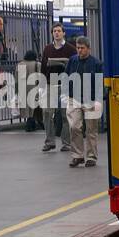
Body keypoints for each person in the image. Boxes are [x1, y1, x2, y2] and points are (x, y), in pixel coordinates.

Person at [64, 36, 103, 167]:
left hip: (90, 99)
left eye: (82, 48)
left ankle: (91, 157)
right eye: (78, 48)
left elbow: (99, 84)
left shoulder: (96, 63)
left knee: (91, 129)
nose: (79, 50)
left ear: (88, 49)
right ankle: (77, 155)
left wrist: (98, 100)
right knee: (74, 126)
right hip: (73, 98)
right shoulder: (72, 61)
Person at [41, 23, 76, 152]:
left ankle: (66, 143)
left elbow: (74, 66)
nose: (56, 33)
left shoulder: (70, 49)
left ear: (64, 33)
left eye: (59, 31)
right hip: (50, 83)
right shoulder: (47, 48)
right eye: (54, 31)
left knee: (65, 114)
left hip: (65, 83)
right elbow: (43, 67)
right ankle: (50, 141)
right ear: (52, 33)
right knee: (47, 112)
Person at [19, 49, 44, 130]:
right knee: (35, 106)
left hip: (23, 89)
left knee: (27, 107)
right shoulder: (38, 64)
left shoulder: (20, 64)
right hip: (35, 88)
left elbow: (17, 79)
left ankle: (30, 123)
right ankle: (36, 122)